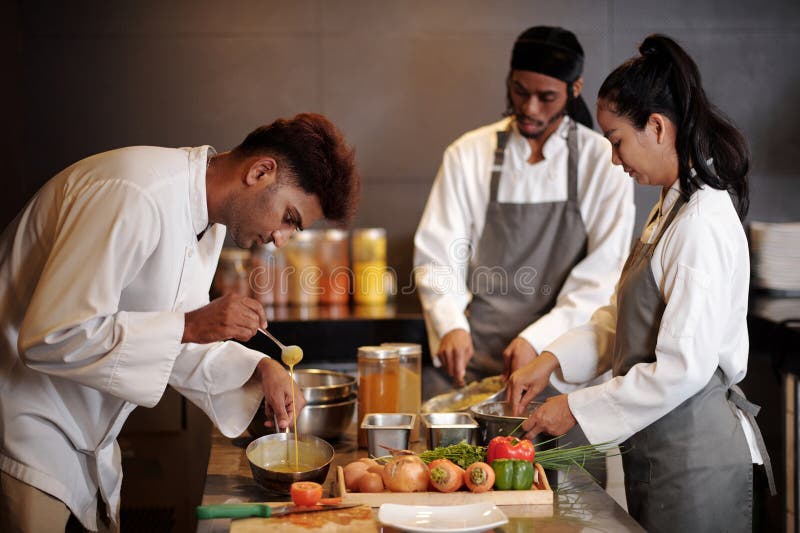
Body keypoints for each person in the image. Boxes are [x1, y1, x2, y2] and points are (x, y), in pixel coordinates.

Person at [0, 113, 360, 532]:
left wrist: (260, 369)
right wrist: (191, 325)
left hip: (81, 438)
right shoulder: (135, 193)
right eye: (289, 217)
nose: (283, 238)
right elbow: (51, 336)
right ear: (260, 172)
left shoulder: (205, 222)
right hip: (23, 431)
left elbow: (169, 342)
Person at [507, 35, 775, 532]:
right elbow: (621, 318)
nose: (614, 159)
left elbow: (683, 369)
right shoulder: (668, 208)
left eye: (616, 141)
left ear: (656, 127)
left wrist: (576, 407)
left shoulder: (702, 221)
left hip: (696, 458)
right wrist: (552, 359)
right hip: (661, 450)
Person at [413, 26, 635, 396]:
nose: (530, 108)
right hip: (475, 363)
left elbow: (602, 276)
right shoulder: (468, 154)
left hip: (562, 369)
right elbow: (439, 252)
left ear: (574, 89)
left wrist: (540, 340)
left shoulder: (603, 161)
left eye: (546, 97)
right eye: (520, 91)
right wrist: (450, 323)